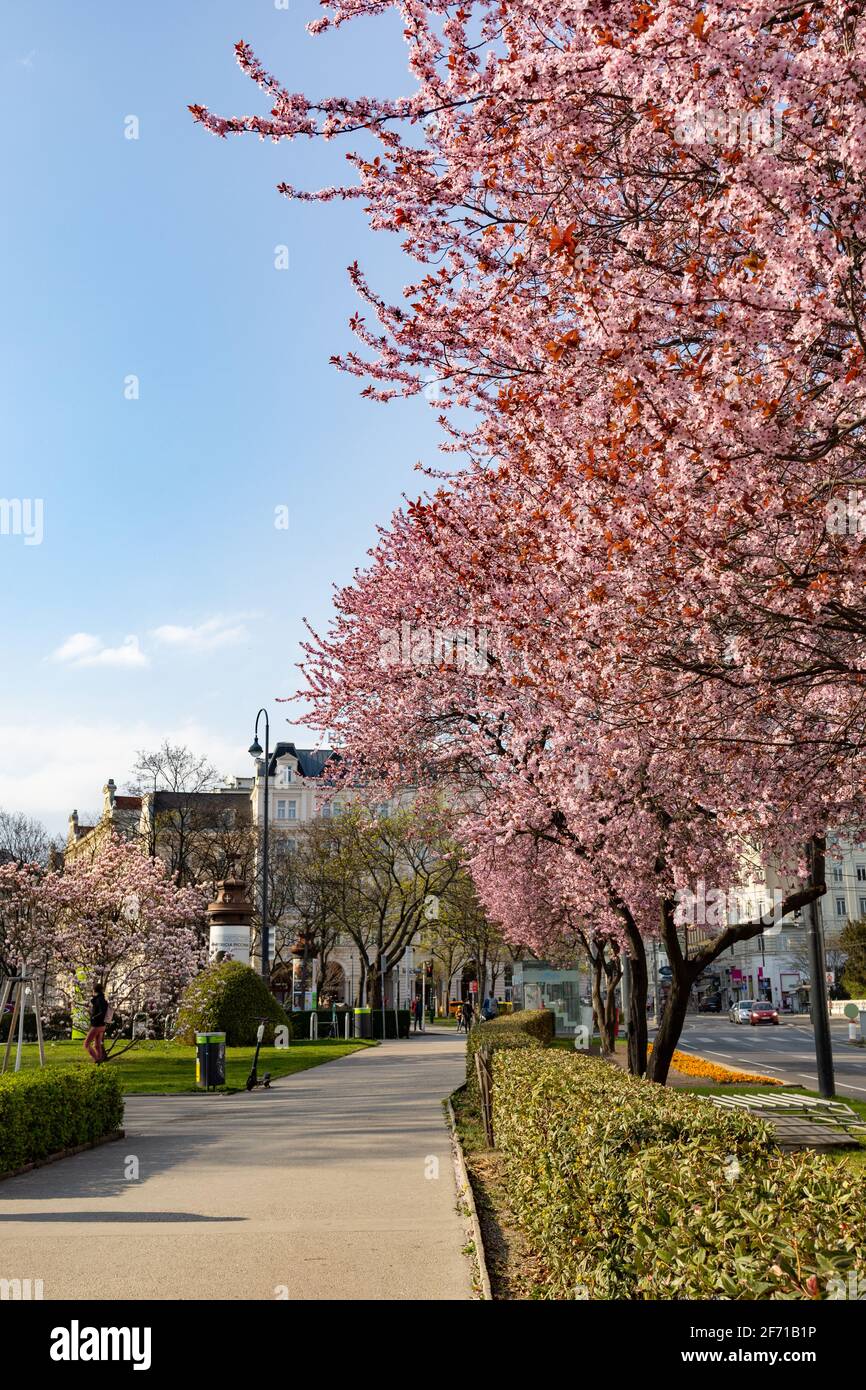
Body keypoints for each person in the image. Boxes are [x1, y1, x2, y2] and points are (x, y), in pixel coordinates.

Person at [84, 983, 109, 1063]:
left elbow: (102, 1012)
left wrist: (94, 1017)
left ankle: (97, 1060)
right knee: (97, 1045)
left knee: (86, 1044)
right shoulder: (102, 999)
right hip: (102, 1026)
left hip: (97, 1025)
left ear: (94, 990)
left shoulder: (99, 1000)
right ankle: (100, 1060)